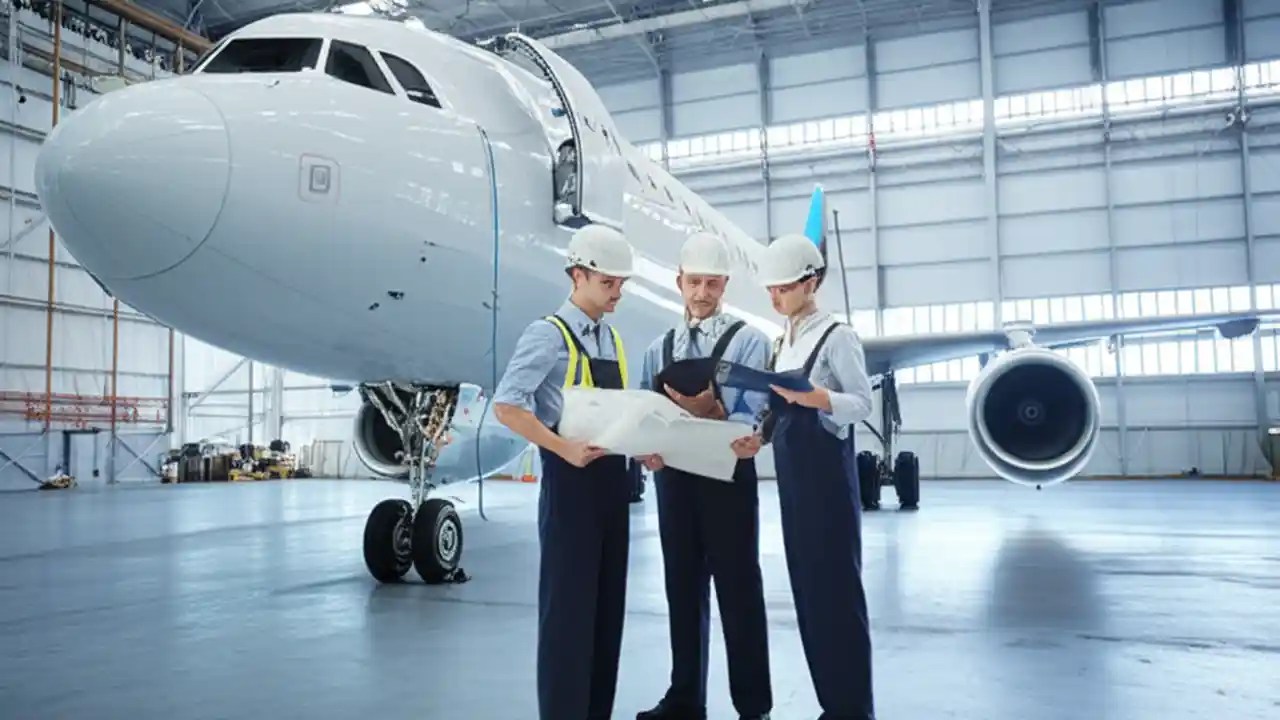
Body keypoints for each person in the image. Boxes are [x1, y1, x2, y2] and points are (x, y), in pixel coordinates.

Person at [492, 224, 636, 720]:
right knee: (569, 616)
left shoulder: (611, 338)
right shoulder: (547, 334)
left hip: (613, 485)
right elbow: (508, 405)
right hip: (571, 485)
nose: (617, 293)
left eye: (621, 284)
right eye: (608, 283)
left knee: (606, 613)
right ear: (578, 275)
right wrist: (561, 448)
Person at [635, 232, 774, 720]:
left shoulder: (752, 343)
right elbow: (643, 409)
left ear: (725, 286)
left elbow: (758, 412)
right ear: (680, 282)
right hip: (673, 480)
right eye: (694, 282)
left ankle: (753, 706)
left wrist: (713, 413)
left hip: (727, 477)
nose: (702, 293)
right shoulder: (657, 348)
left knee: (739, 589)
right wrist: (644, 449)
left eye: (712, 284)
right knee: (681, 586)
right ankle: (684, 698)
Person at [756, 233, 877, 720]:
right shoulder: (780, 342)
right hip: (793, 484)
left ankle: (853, 708)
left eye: (783, 288)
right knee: (808, 592)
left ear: (811, 282)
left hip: (828, 484)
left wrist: (819, 398)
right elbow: (774, 412)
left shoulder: (837, 336)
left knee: (838, 594)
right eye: (771, 289)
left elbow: (862, 403)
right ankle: (833, 703)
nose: (775, 297)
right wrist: (757, 437)